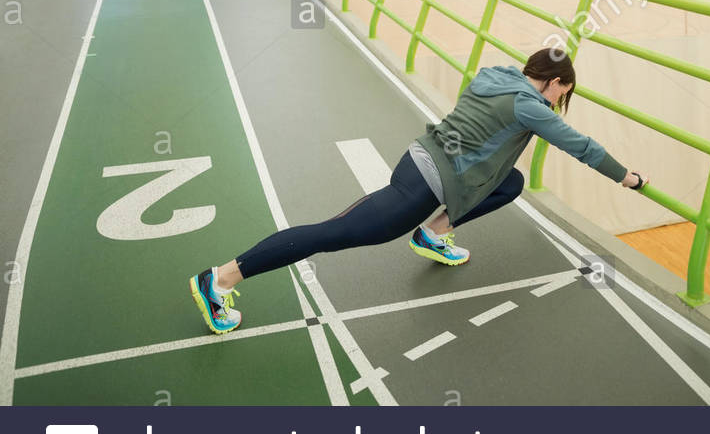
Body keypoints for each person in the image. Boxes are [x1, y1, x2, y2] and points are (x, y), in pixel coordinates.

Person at [189, 48, 649, 334]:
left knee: (510, 183)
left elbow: (490, 139)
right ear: (555, 83)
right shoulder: (532, 106)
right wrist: (627, 177)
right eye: (560, 93)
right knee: (330, 234)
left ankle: (432, 233)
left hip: (422, 156)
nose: (557, 103)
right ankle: (222, 277)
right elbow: (581, 146)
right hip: (426, 184)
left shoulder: (497, 74)